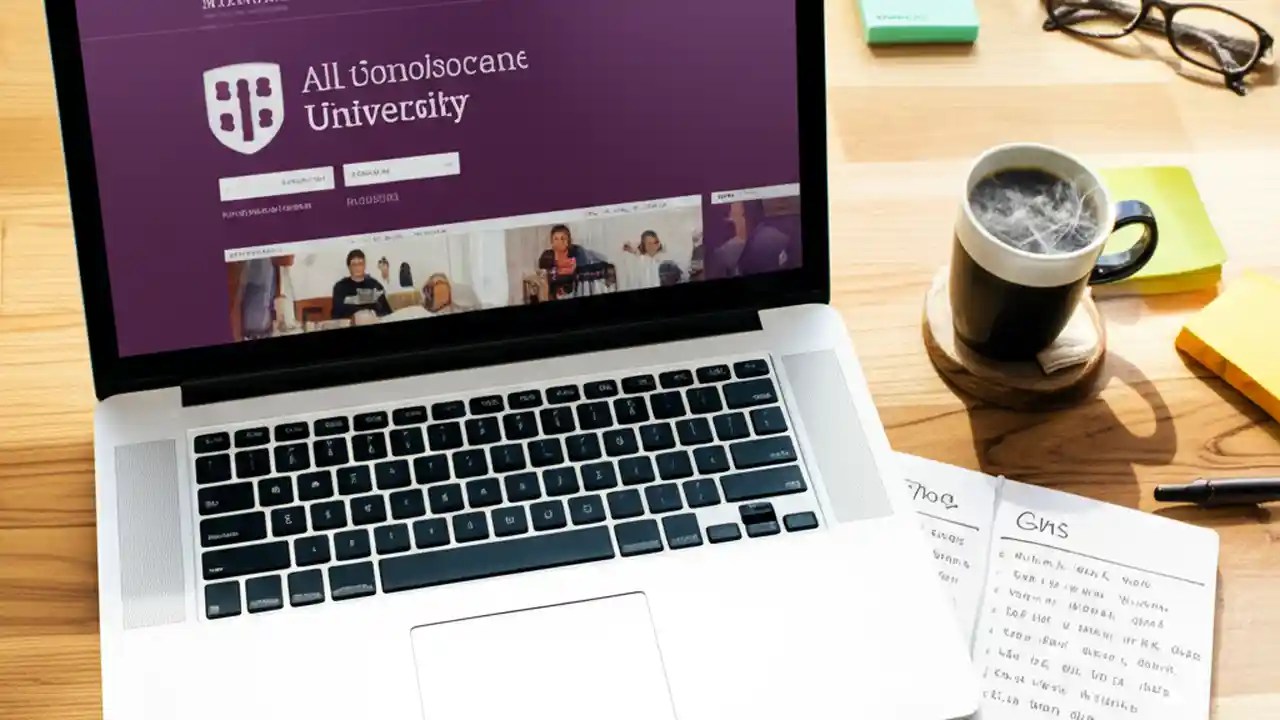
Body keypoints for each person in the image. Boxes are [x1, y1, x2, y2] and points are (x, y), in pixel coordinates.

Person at [331, 249, 391, 320]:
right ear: (349, 267)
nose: (357, 268)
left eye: (360, 264)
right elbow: (337, 315)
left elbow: (386, 312)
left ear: (364, 265)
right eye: (354, 264)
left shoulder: (375, 285)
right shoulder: (340, 287)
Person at [537, 224, 590, 299]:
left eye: (563, 238)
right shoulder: (547, 255)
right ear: (551, 242)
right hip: (554, 293)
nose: (560, 242)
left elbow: (581, 270)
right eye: (556, 239)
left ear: (568, 240)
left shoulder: (576, 251)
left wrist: (560, 269)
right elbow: (543, 273)